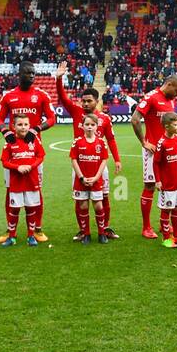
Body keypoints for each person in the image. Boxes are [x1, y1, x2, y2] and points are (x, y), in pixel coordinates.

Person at [0, 61, 57, 243]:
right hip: (13, 150)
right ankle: (9, 230)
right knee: (10, 189)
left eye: (33, 73)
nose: (32, 76)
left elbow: (53, 118)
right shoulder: (9, 96)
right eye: (28, 73)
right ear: (19, 74)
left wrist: (36, 130)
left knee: (37, 189)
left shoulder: (41, 95)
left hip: (33, 151)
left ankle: (37, 228)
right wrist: (5, 131)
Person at [54, 63, 121, 238]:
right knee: (80, 199)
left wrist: (118, 160)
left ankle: (104, 228)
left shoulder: (105, 118)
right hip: (80, 165)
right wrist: (59, 78)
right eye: (83, 100)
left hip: (99, 167)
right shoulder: (76, 112)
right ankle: (84, 231)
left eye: (89, 100)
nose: (84, 103)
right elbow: (62, 97)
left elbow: (111, 140)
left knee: (103, 198)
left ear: (97, 101)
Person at [131, 73, 177, 239]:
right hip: (152, 150)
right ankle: (146, 227)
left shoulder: (170, 100)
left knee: (167, 185)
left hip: (168, 151)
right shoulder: (152, 97)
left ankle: (164, 223)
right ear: (168, 84)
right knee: (150, 186)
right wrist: (144, 142)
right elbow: (135, 119)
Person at [0, 114, 44, 247]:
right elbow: (4, 161)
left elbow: (41, 156)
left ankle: (31, 236)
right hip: (16, 182)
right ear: (13, 126)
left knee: (31, 208)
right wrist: (18, 167)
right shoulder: (9, 141)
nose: (23, 127)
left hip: (31, 180)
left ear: (29, 126)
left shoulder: (34, 140)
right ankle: (12, 237)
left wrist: (31, 166)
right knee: (14, 209)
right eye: (20, 124)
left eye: (25, 124)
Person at [70, 113, 111, 244]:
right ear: (82, 126)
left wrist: (96, 177)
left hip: (96, 180)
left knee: (98, 206)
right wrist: (81, 177)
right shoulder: (77, 142)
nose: (89, 127)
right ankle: (86, 233)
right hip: (81, 180)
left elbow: (104, 161)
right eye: (87, 124)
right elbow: (74, 160)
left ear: (97, 126)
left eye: (92, 125)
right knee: (83, 205)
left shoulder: (101, 143)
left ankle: (101, 233)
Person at [151, 111, 177, 248]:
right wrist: (158, 180)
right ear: (167, 126)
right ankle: (167, 238)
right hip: (167, 184)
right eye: (175, 124)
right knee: (166, 209)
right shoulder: (162, 143)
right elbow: (156, 163)